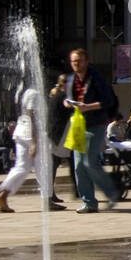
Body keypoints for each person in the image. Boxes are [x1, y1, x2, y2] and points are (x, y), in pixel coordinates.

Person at [64, 48, 121, 213]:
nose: (76, 64)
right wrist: (68, 103)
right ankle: (89, 202)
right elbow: (67, 99)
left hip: (96, 124)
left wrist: (87, 107)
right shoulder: (72, 79)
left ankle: (112, 192)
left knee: (90, 162)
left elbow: (108, 100)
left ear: (87, 61)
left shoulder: (95, 78)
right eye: (73, 61)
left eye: (79, 61)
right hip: (79, 125)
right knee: (78, 166)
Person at [0, 87, 61, 213]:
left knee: (23, 167)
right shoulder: (34, 93)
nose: (56, 88)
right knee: (44, 167)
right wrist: (34, 142)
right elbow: (31, 116)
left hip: (25, 134)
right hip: (30, 136)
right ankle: (47, 201)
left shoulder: (30, 94)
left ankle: (3, 196)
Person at [47, 74, 76, 202]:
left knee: (54, 165)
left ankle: (50, 194)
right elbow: (69, 107)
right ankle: (49, 195)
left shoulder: (55, 96)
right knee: (53, 165)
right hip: (58, 136)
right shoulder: (63, 97)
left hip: (54, 134)